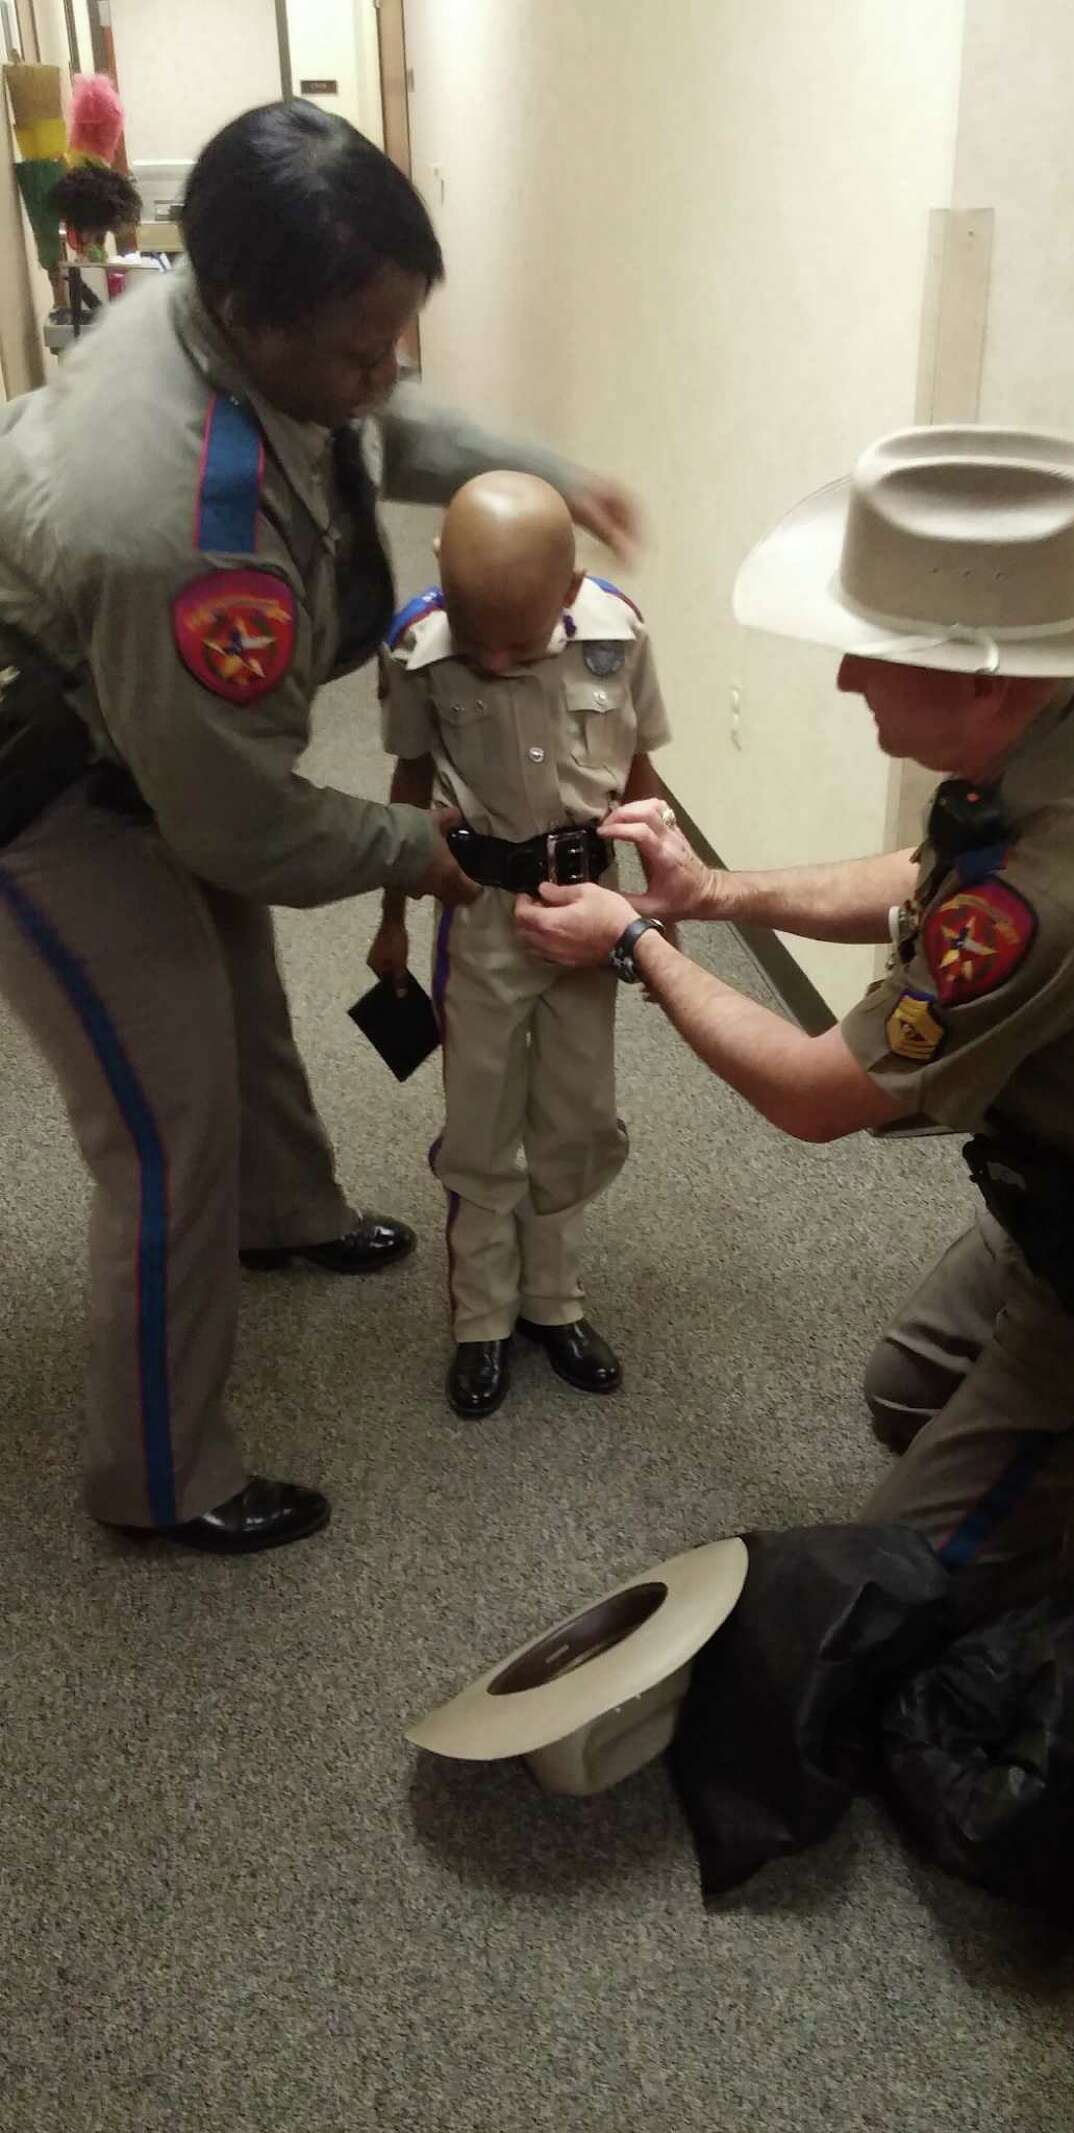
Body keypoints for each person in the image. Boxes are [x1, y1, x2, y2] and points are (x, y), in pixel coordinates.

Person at [0, 100, 637, 1555]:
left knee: (236, 987)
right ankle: (162, 1479)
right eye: (360, 348)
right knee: (162, 1119)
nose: (383, 371)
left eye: (398, 333)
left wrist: (540, 468)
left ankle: (283, 1212)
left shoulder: (227, 324)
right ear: (245, 310)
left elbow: (377, 420)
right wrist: (420, 852)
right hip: (34, 779)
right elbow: (241, 824)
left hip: (122, 715)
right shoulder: (183, 528)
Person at [516, 424, 1074, 1608]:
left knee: (895, 1586)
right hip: (1064, 1179)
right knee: (900, 1394)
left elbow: (814, 1094)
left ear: (985, 680)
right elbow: (926, 877)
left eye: (872, 653)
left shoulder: (1052, 902)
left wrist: (632, 942)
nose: (844, 679)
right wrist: (713, 895)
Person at [370, 471, 672, 1419]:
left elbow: (638, 765)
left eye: (520, 639)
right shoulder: (419, 644)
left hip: (590, 909)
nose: (496, 660)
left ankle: (553, 1299)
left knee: (577, 1114)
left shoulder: (618, 632)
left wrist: (664, 896)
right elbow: (409, 780)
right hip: (482, 912)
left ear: (571, 586)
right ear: (440, 575)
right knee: (481, 1122)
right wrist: (391, 917)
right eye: (479, 638)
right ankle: (481, 1317)